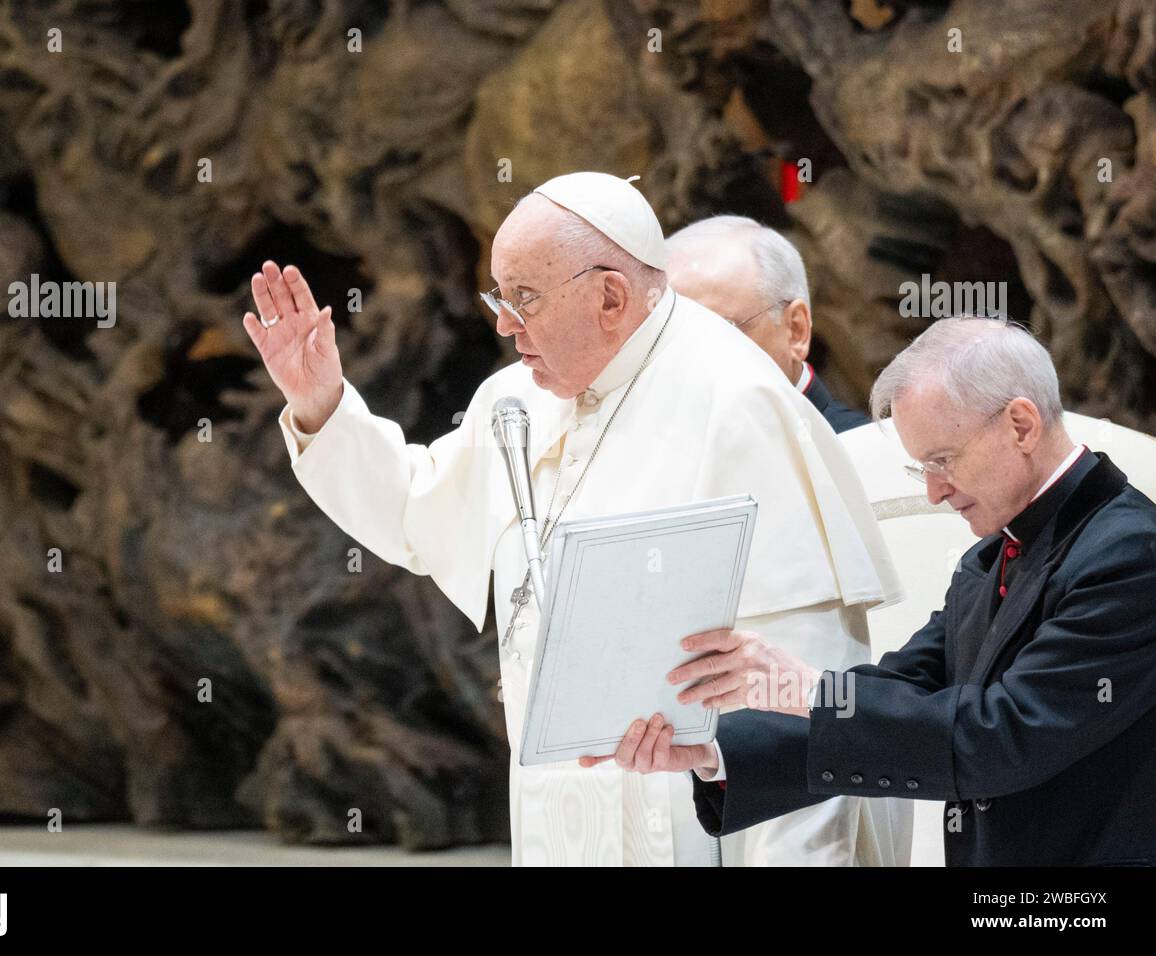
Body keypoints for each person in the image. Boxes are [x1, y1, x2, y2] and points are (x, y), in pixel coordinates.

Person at [241, 171, 901, 866]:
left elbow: (797, 685)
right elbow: (415, 508)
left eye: (523, 298)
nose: (501, 322)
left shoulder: (738, 403)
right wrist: (322, 404)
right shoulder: (516, 399)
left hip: (691, 819)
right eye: (499, 295)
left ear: (610, 296)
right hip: (555, 811)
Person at [593, 316, 1156, 866]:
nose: (934, 492)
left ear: (1021, 424)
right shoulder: (989, 556)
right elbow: (902, 687)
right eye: (923, 468)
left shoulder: (1130, 554)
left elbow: (1005, 735)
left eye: (942, 461)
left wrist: (806, 688)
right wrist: (715, 750)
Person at [666, 216, 869, 432]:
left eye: (724, 332)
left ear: (796, 330)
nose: (695, 362)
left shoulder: (861, 452)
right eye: (673, 338)